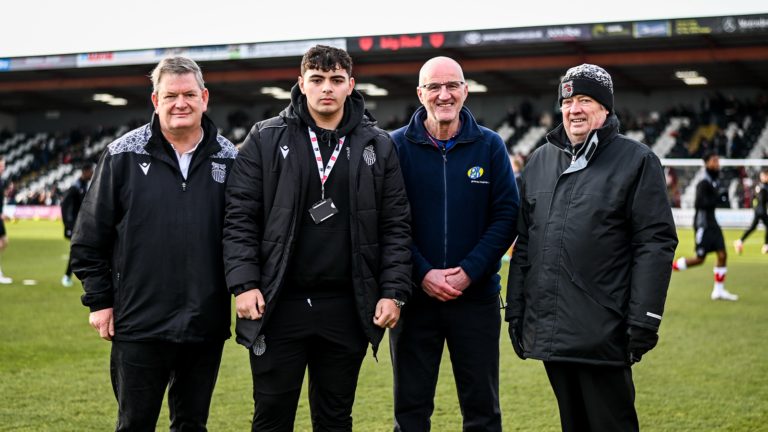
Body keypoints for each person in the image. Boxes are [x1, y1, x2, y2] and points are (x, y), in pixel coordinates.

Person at [222, 45, 412, 431]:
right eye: (318, 79)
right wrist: (244, 284)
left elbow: (396, 224)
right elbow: (240, 217)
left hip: (347, 305)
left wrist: (393, 292)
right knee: (271, 418)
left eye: (336, 80)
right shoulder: (265, 137)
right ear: (301, 83)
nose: (327, 88)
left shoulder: (378, 144)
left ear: (350, 85)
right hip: (279, 304)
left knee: (335, 420)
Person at [506, 64, 678, 432]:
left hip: (604, 332)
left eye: (585, 100)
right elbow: (525, 243)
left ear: (605, 107)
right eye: (567, 102)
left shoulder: (637, 160)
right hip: (551, 331)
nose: (574, 109)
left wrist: (644, 320)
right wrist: (516, 310)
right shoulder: (540, 160)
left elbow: (655, 243)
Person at [70, 57, 238, 431]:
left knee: (192, 425)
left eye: (189, 94)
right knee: (135, 424)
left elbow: (244, 236)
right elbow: (89, 237)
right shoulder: (122, 154)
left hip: (205, 323)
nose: (181, 103)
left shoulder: (231, 159)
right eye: (171, 95)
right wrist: (99, 301)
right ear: (155, 100)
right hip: (137, 322)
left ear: (204, 98)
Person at [389, 57, 519, 432]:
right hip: (413, 300)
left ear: (465, 91)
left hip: (476, 299)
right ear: (420, 93)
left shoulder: (490, 145)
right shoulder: (394, 146)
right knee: (410, 414)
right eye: (434, 86)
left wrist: (468, 272)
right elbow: (387, 221)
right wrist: (422, 273)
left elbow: (506, 216)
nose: (443, 95)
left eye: (452, 86)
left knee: (482, 413)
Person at [673, 152, 738, 300]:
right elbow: (699, 203)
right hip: (704, 224)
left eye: (717, 161)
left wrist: (719, 199)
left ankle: (718, 291)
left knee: (722, 254)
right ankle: (669, 268)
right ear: (707, 163)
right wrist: (717, 199)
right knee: (699, 259)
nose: (717, 164)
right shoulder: (703, 181)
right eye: (714, 161)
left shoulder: (712, 180)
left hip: (713, 223)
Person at [60, 162, 94, 287]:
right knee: (78, 251)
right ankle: (67, 277)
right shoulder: (75, 187)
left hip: (82, 225)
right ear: (85, 172)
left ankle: (74, 277)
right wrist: (68, 225)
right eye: (91, 172)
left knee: (81, 250)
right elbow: (65, 206)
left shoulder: (84, 185)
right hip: (74, 225)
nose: (93, 174)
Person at [734, 168, 768, 254]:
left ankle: (740, 242)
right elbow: (761, 199)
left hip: (759, 210)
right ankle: (766, 245)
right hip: (760, 210)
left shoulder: (762, 186)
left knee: (753, 227)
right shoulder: (762, 186)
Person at [0, 156, 10, 284]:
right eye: (1, 165)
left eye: (4, 165)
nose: (3, 168)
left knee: (4, 241)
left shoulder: (1, 181)